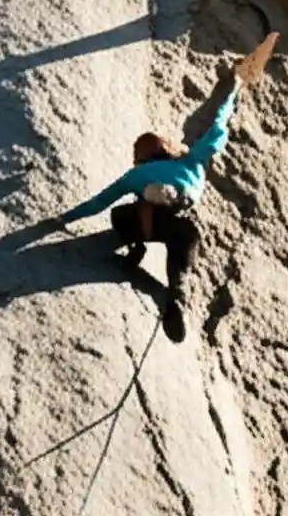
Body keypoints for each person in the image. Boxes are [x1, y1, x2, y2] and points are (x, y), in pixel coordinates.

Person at [55, 79, 241, 342]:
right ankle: (177, 294)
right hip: (177, 222)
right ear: (165, 148)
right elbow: (217, 126)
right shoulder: (191, 160)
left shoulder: (136, 174)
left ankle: (138, 244)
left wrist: (66, 217)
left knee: (120, 214)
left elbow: (100, 202)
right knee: (186, 243)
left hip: (143, 222)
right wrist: (233, 92)